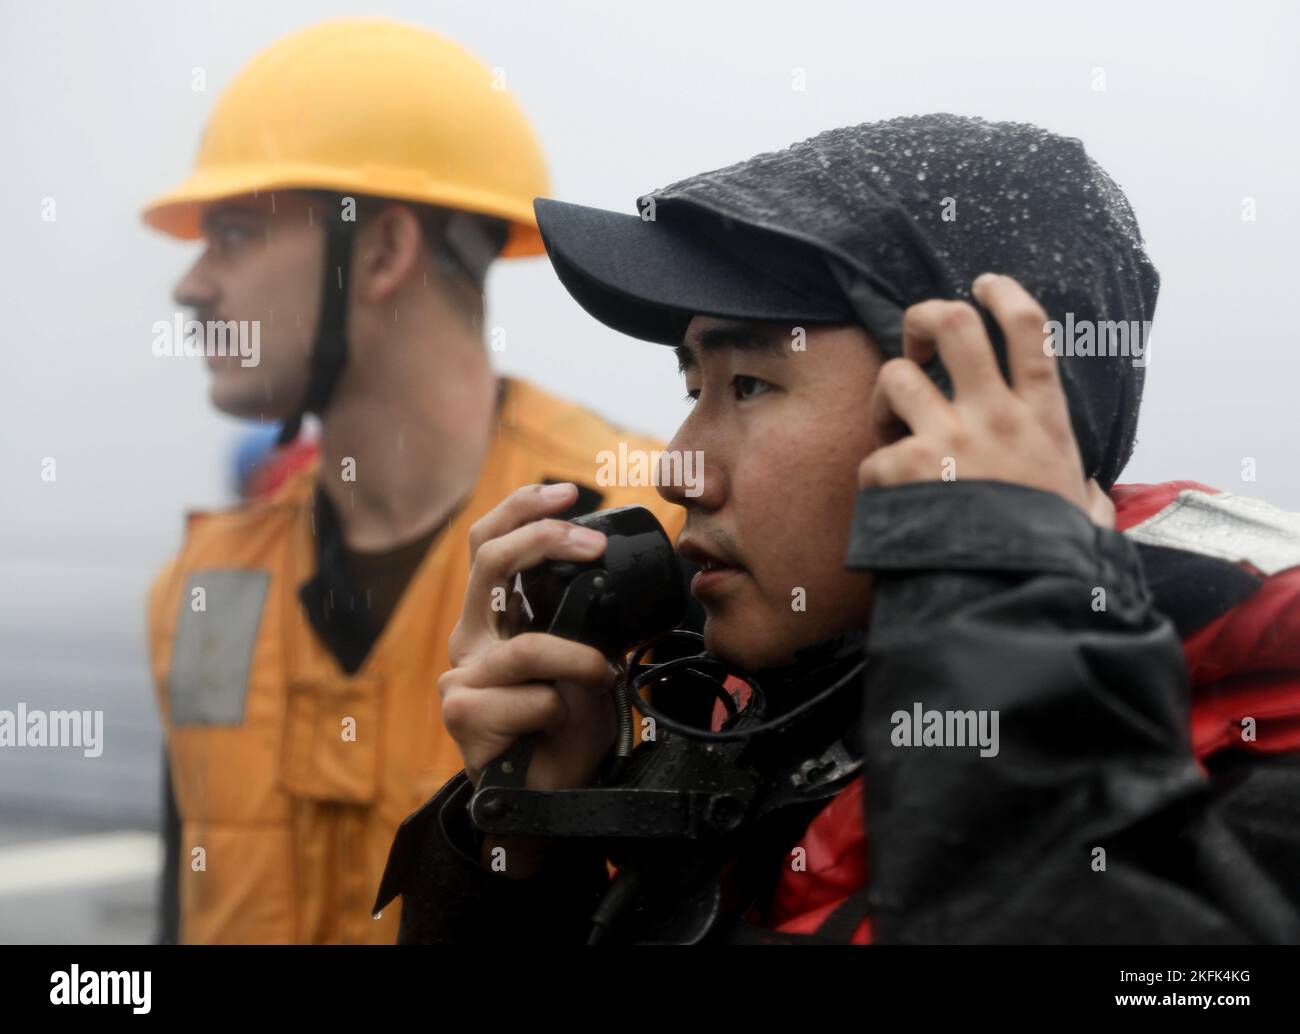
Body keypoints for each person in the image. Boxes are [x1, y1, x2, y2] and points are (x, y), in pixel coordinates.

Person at [376, 113, 1300, 944]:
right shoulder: (757, 724)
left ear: (954, 408)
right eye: (691, 388)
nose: (675, 468)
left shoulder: (1257, 761)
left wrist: (1020, 685)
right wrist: (524, 840)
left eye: (749, 385)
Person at [142, 18, 685, 944]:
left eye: (233, 232)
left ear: (385, 249)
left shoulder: (635, 542)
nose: (189, 286)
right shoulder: (201, 583)